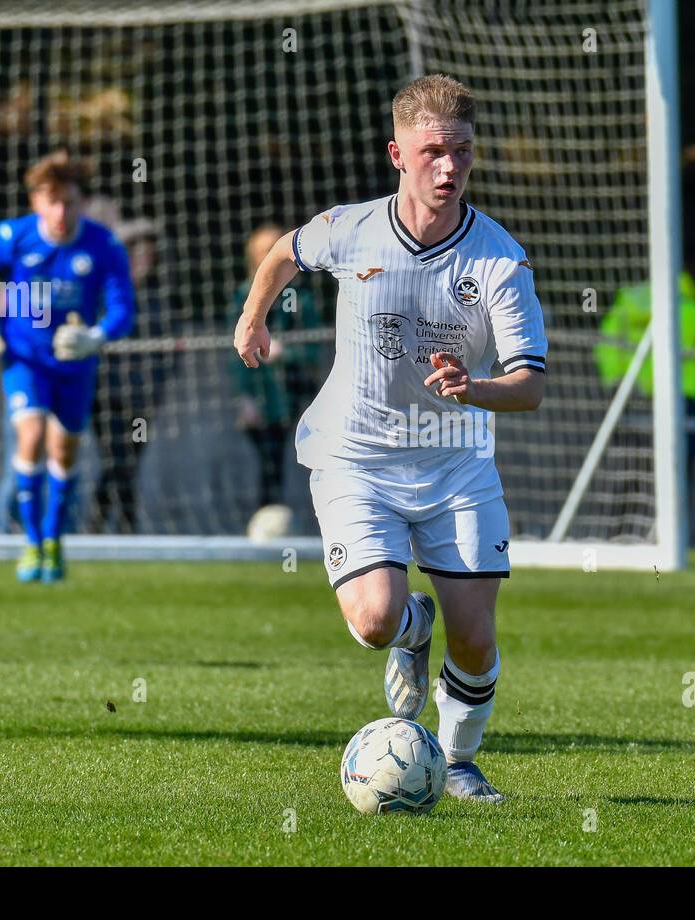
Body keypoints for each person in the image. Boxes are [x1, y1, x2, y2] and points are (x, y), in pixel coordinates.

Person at [233, 74, 547, 803]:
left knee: (474, 640)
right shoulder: (352, 228)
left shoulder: (499, 261)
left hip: (455, 462)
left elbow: (530, 386)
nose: (449, 167)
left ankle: (461, 763)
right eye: (433, 151)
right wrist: (254, 316)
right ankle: (411, 629)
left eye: (462, 152)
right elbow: (284, 251)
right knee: (375, 620)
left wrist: (475, 389)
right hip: (356, 456)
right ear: (397, 155)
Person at [0, 151, 135, 582]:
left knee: (64, 450)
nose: (60, 212)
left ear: (81, 202)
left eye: (69, 202)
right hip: (25, 359)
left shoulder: (102, 244)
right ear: (36, 202)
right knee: (32, 435)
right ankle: (32, 542)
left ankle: (56, 541)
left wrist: (95, 337)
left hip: (74, 363)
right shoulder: (14, 236)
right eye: (51, 201)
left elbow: (122, 307)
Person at [87, 214, 175, 533]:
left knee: (127, 464)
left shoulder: (158, 300)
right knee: (117, 461)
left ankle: (100, 527)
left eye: (147, 252)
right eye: (135, 251)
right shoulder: (105, 295)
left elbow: (167, 353)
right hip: (105, 397)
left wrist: (155, 385)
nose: (142, 258)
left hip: (142, 400)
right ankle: (121, 528)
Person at [230, 224, 323, 518]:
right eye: (262, 251)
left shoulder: (299, 298)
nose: (268, 256)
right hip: (261, 397)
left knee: (288, 459)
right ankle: (267, 522)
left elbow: (313, 348)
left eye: (274, 249)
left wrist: (286, 354)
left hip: (294, 394)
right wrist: (243, 397)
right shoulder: (243, 297)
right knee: (267, 461)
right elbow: (234, 355)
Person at [595, 270, 695, 494]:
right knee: (680, 476)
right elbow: (685, 340)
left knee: (632, 476)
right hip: (681, 397)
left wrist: (615, 380)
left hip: (631, 395)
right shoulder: (690, 304)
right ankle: (669, 526)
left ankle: (633, 526)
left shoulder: (627, 302)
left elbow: (605, 345)